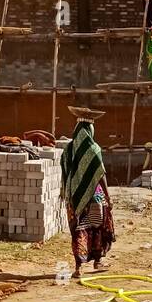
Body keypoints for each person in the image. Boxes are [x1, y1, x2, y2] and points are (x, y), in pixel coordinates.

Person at [60, 106, 115, 277]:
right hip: (95, 198)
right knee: (98, 228)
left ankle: (78, 267)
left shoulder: (67, 151)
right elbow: (100, 174)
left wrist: (67, 193)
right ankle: (98, 261)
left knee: (79, 231)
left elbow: (64, 173)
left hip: (74, 200)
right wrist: (108, 196)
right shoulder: (94, 149)